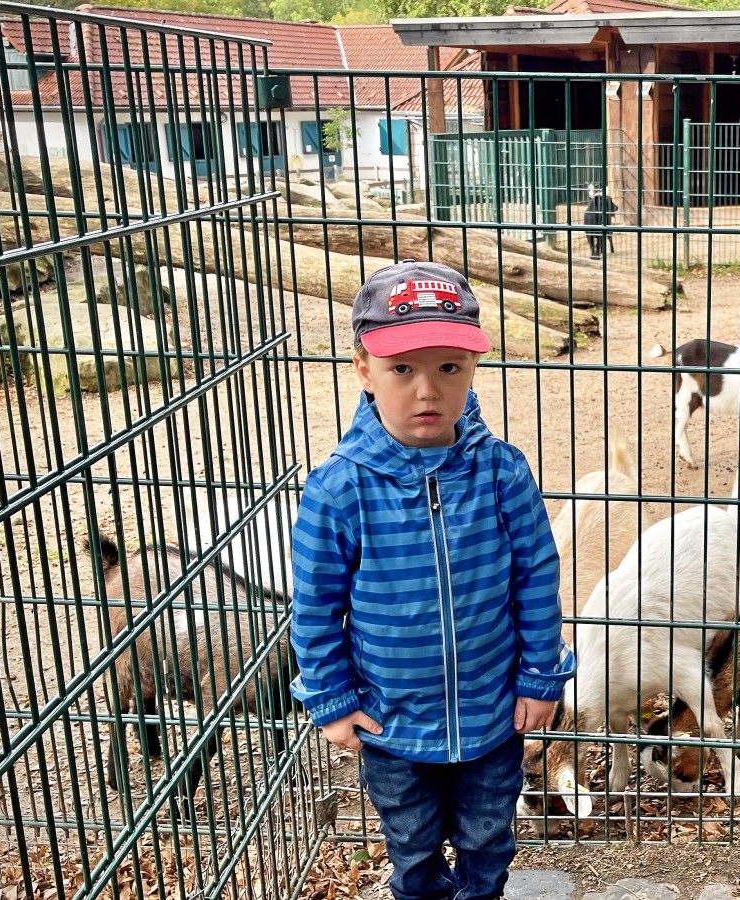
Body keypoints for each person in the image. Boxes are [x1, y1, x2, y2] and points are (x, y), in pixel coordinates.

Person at [290, 261, 573, 900]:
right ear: (363, 368)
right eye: (402, 369)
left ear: (472, 368)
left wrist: (538, 678)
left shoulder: (502, 472)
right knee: (412, 849)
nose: (427, 391)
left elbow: (536, 577)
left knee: (488, 839)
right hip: (393, 725)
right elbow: (313, 605)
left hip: (493, 715)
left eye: (449, 367)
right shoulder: (338, 489)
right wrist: (332, 700)